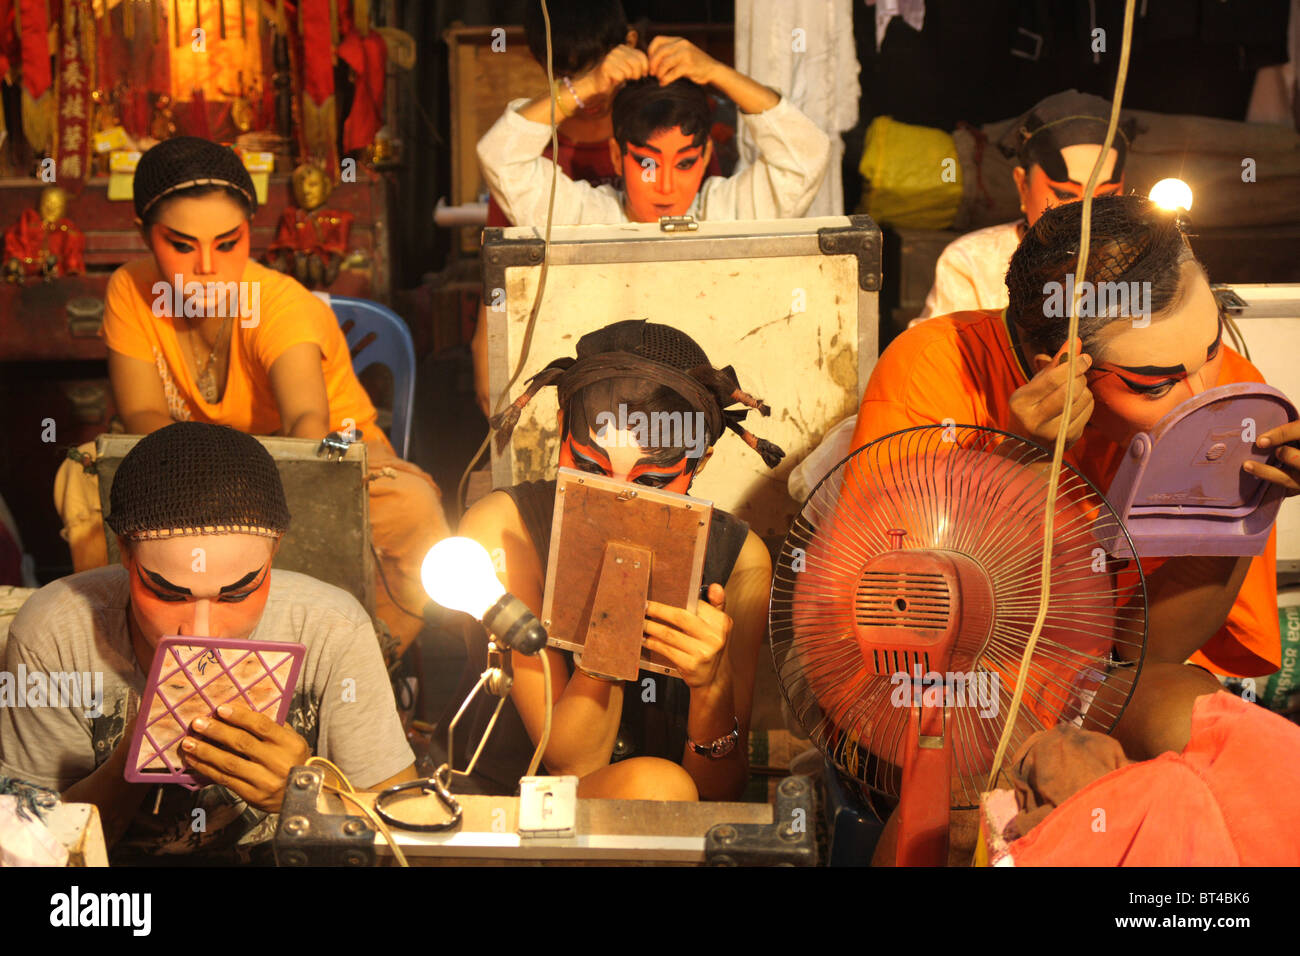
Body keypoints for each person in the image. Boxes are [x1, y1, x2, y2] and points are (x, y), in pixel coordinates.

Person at [851, 194, 1300, 761]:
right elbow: (901, 626)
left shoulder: (1228, 389)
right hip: (950, 684)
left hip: (1098, 681)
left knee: (1204, 735)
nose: (1203, 397)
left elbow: (1148, 650)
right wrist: (1023, 464)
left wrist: (1246, 506)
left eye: (1211, 350)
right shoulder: (930, 370)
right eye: (1154, 385)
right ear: (1059, 369)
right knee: (969, 792)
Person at [52, 136, 448, 658]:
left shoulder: (279, 304)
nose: (208, 267)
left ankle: (373, 659)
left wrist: (248, 482)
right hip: (192, 472)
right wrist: (203, 479)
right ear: (144, 237)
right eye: (182, 244)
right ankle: (129, 658)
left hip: (318, 460)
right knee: (81, 477)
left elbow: (308, 421)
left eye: (228, 242)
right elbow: (141, 414)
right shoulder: (130, 290)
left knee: (414, 506)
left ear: (251, 234)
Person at [1, 423, 416, 863]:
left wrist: (301, 796)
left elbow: (402, 824)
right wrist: (135, 756)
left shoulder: (331, 627)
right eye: (166, 593)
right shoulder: (56, 633)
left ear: (273, 552)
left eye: (236, 594)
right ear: (125, 551)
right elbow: (27, 842)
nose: (200, 632)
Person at [456, 321, 782, 801]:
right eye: (589, 469)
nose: (619, 499)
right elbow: (571, 762)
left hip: (668, 831)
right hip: (516, 813)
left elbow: (718, 798)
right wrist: (615, 618)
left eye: (651, 483)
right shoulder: (507, 530)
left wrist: (711, 687)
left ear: (700, 463)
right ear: (561, 431)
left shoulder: (738, 559)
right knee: (657, 785)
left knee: (663, 788)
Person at [476, 36, 830, 228]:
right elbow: (502, 157)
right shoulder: (582, 219)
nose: (665, 188)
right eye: (647, 164)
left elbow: (806, 154)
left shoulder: (730, 214)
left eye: (685, 164)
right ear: (617, 156)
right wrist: (586, 86)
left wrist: (717, 72)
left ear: (706, 155)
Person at [917, 91, 1138, 321]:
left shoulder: (1142, 260)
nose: (1084, 214)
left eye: (1106, 195)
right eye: (1065, 194)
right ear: (1023, 185)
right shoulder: (972, 263)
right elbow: (936, 352)